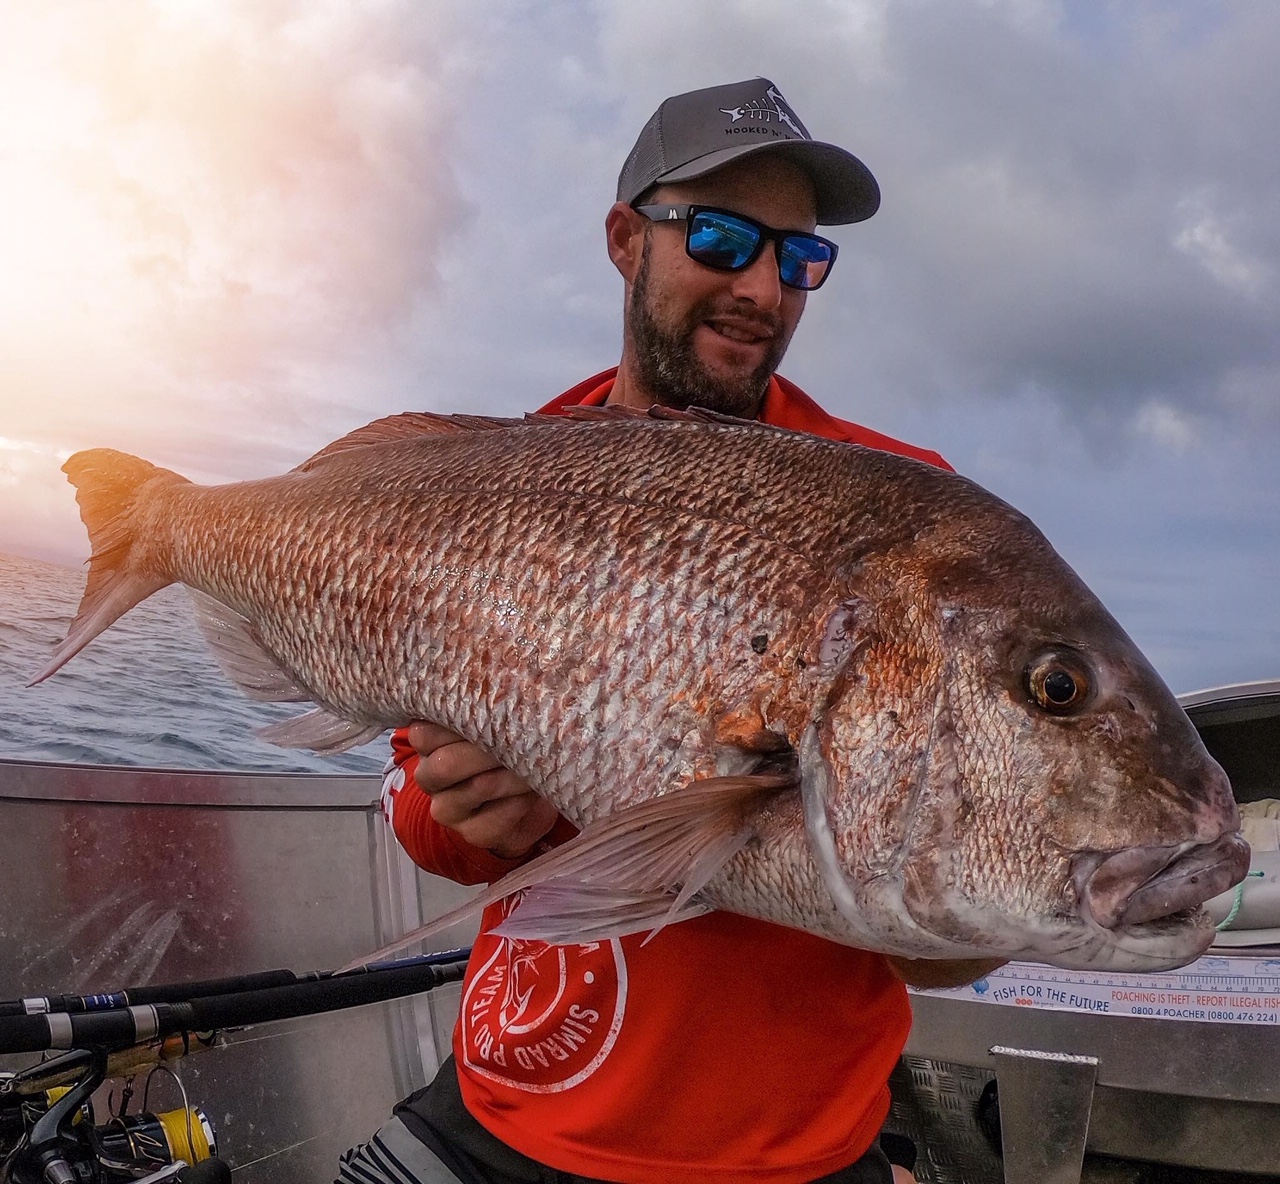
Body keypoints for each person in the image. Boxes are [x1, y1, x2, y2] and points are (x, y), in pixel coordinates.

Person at [338, 78, 1003, 1184]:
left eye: (797, 259)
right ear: (622, 238)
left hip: (792, 1153)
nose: (760, 288)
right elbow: (419, 814)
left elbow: (948, 949)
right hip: (510, 1110)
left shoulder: (904, 512)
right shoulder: (504, 482)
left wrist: (1003, 892)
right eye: (719, 235)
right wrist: (464, 813)